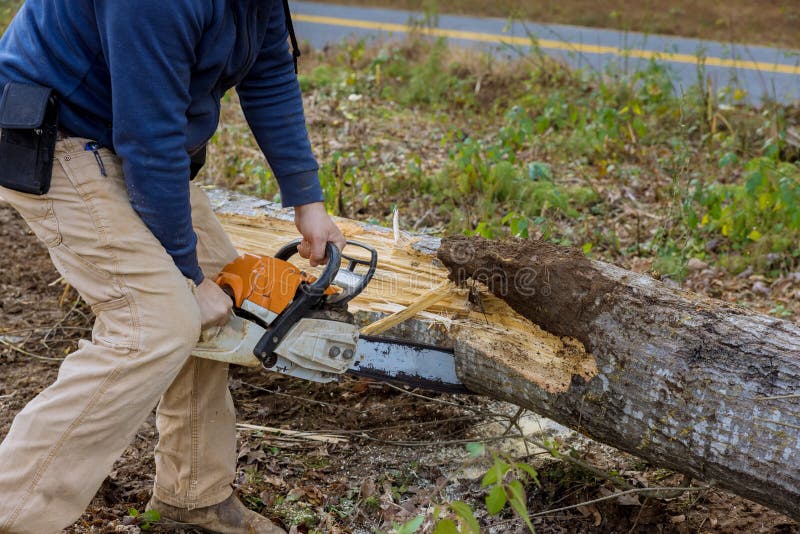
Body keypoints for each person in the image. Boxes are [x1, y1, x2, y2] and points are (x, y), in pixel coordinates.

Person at [0, 1, 346, 532]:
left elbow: (271, 72)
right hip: (56, 134)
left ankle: (193, 496)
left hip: (127, 136)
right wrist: (187, 277)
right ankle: (12, 511)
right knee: (156, 323)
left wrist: (308, 200)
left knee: (226, 294)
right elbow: (150, 137)